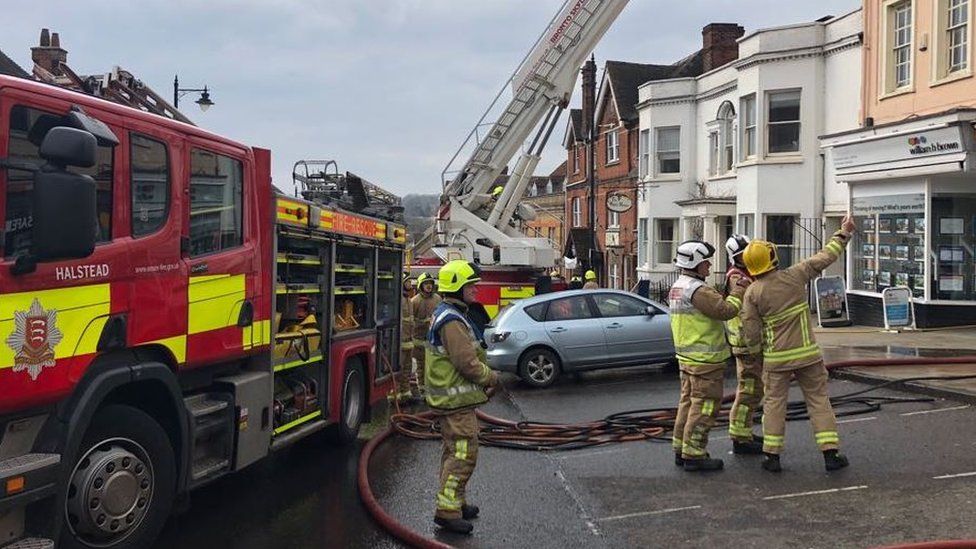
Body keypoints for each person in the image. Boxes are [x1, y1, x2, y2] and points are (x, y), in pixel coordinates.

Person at [740, 214, 856, 473]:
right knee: (818, 401)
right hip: (808, 356)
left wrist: (756, 355)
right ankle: (830, 454)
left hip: (776, 360)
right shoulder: (795, 276)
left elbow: (750, 331)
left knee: (774, 405)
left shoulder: (752, 293)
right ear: (772, 258)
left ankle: (772, 456)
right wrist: (844, 232)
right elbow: (827, 256)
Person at [425, 260, 499, 534]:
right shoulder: (452, 320)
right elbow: (466, 362)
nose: (476, 290)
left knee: (454, 451)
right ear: (457, 286)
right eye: (471, 286)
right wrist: (491, 378)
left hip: (455, 401)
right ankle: (447, 511)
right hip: (454, 402)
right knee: (463, 453)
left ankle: (457, 501)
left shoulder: (449, 313)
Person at [669, 240, 749, 472]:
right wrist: (739, 291)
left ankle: (681, 448)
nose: (710, 266)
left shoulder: (679, 286)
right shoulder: (698, 290)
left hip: (688, 359)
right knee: (705, 407)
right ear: (694, 263)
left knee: (687, 403)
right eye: (706, 262)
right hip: (705, 361)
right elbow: (726, 311)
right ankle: (694, 453)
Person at [723, 234, 765, 455]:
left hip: (750, 341)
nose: (747, 258)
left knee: (755, 389)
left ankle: (744, 431)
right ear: (734, 258)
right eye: (742, 255)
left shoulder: (747, 274)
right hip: (745, 342)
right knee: (748, 391)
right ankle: (740, 437)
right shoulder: (737, 278)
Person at [411, 272, 442, 397]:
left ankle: (435, 389)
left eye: (430, 283)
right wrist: (423, 322)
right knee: (421, 365)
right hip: (420, 339)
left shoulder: (438, 299)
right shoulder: (415, 301)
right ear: (420, 286)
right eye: (426, 284)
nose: (428, 286)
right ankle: (423, 390)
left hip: (435, 339)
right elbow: (410, 321)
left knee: (436, 365)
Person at [391, 275, 415, 403]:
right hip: (399, 342)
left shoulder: (408, 300)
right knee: (398, 370)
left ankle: (406, 394)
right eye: (408, 281)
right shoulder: (398, 299)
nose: (410, 283)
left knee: (407, 369)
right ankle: (396, 397)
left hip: (408, 341)